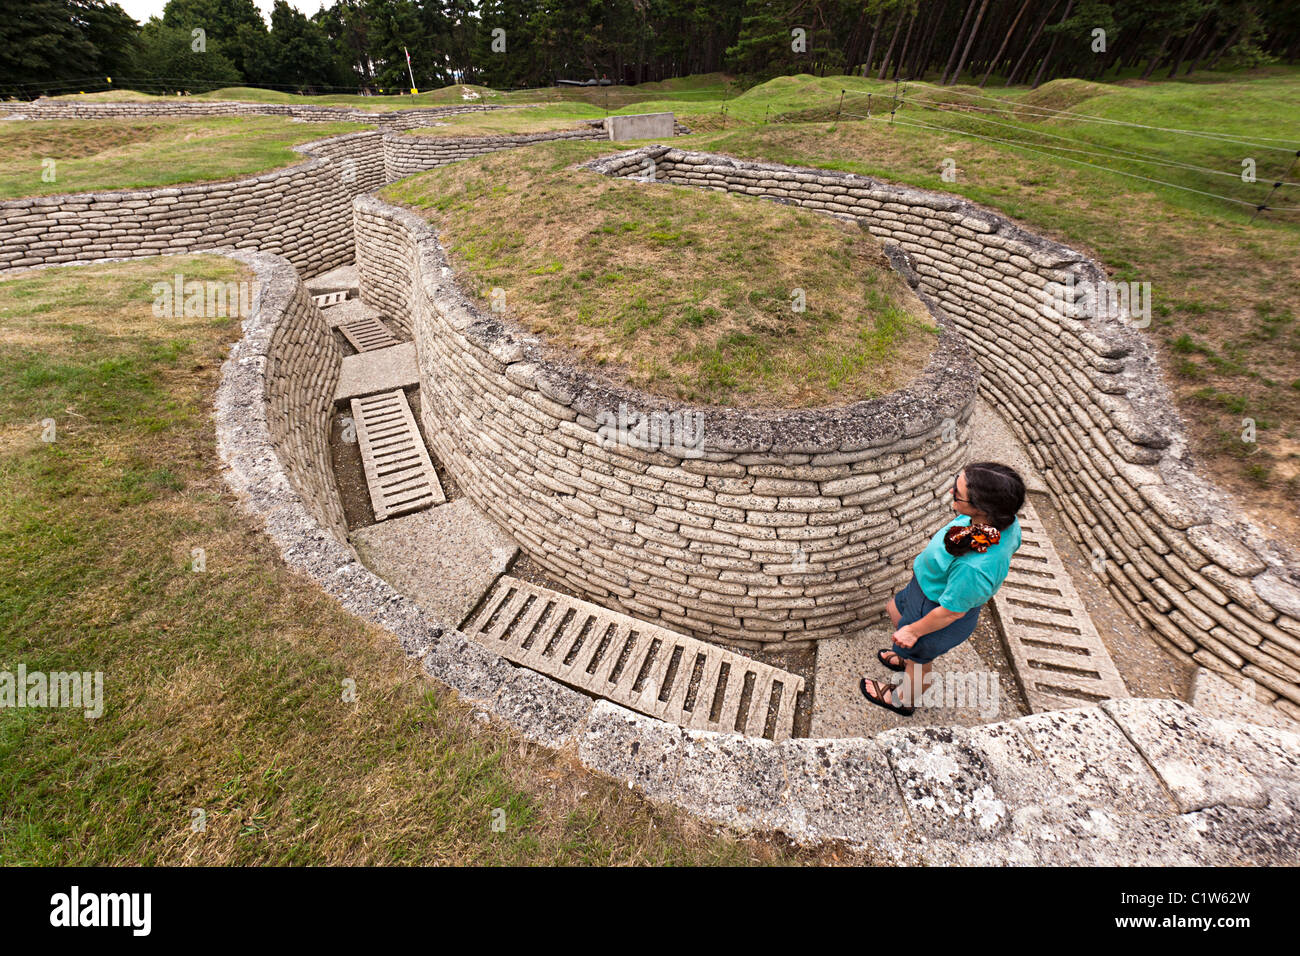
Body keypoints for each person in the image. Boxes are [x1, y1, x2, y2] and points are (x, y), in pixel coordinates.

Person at [860, 461, 1026, 716]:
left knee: (919, 662)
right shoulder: (1004, 523)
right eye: (955, 482)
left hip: (935, 609)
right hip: (926, 590)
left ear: (981, 508)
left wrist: (914, 631)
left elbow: (952, 612)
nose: (951, 493)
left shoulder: (974, 568)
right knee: (894, 608)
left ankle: (903, 698)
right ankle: (906, 656)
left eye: (957, 493)